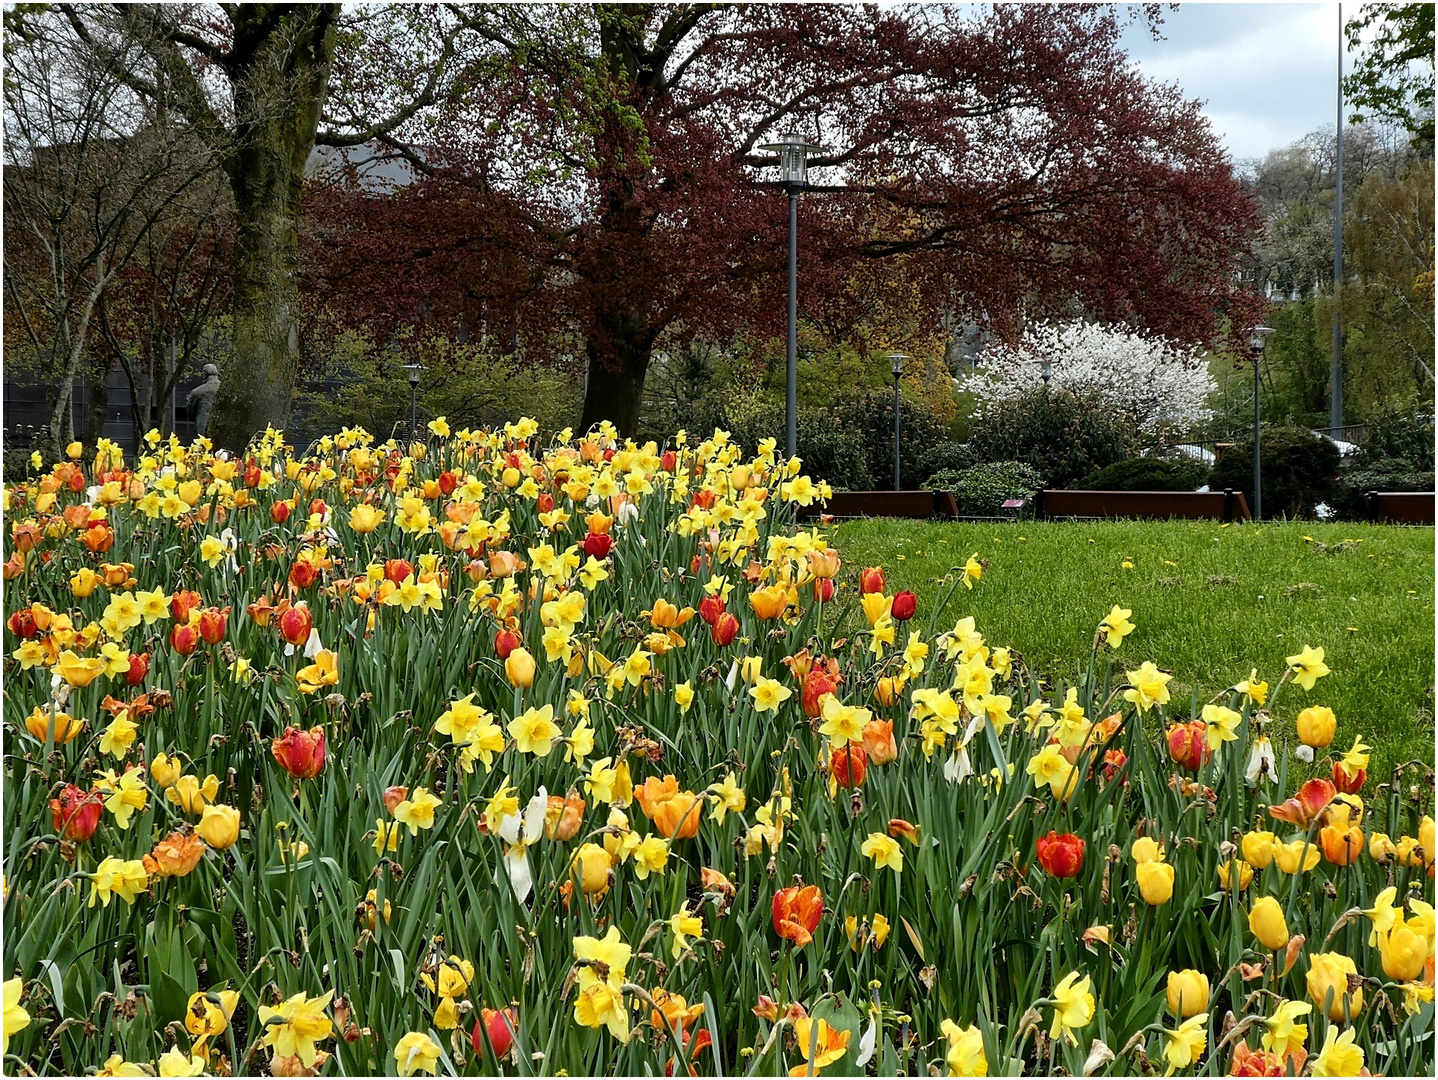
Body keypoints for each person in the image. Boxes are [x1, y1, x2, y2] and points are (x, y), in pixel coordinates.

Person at [186, 364, 221, 436]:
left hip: (202, 430)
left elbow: (190, 413)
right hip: (221, 429)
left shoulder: (197, 392)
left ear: (204, 374)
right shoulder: (225, 390)